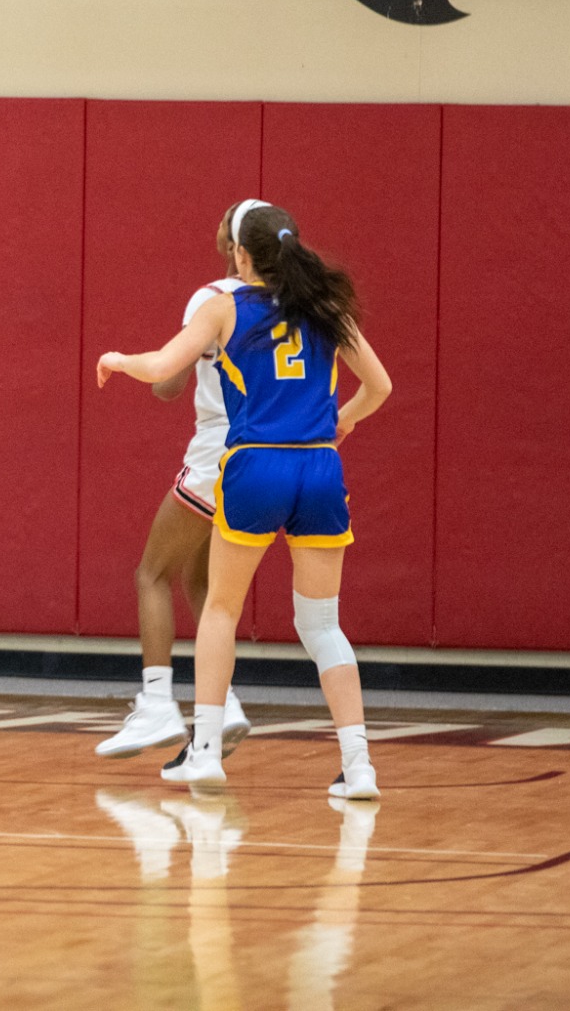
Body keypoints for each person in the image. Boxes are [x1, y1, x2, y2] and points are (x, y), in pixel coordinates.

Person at [97, 202, 392, 797]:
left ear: (241, 256)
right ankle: (359, 766)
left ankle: (205, 750)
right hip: (319, 469)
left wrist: (118, 360)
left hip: (255, 465)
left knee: (221, 609)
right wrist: (344, 422)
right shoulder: (326, 305)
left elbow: (163, 367)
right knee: (323, 625)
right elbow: (381, 386)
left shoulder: (223, 306)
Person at [95, 200, 257, 763]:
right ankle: (225, 702)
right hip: (272, 463)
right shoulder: (293, 302)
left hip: (219, 452)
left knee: (152, 572)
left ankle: (159, 701)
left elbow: (165, 385)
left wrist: (141, 360)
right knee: (203, 582)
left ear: (232, 245)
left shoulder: (213, 299)